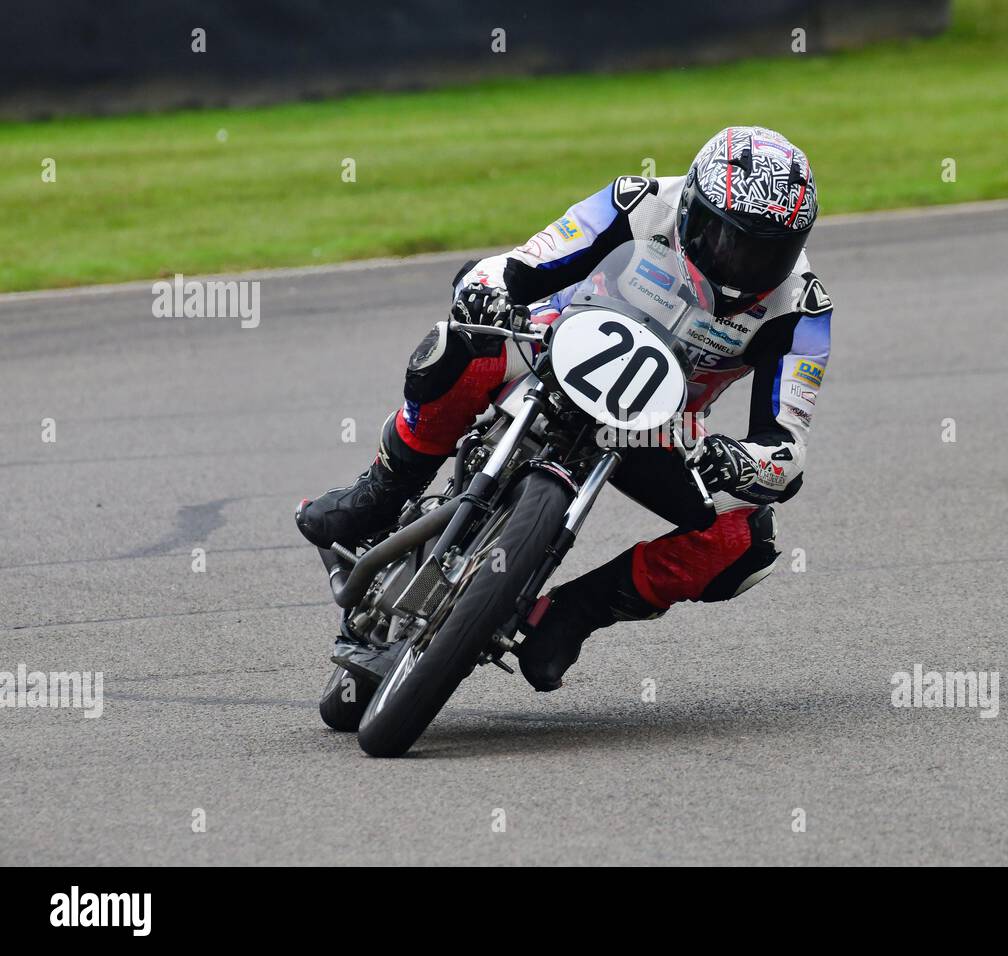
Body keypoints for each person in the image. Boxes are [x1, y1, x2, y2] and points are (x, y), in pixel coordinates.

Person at [297, 126, 831, 691]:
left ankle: (573, 612)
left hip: (655, 427)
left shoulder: (802, 306)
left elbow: (787, 446)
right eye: (727, 239)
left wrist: (741, 461)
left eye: (765, 252)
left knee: (745, 544)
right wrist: (488, 289)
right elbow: (525, 260)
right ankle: (383, 491)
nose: (739, 264)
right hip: (553, 344)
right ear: (693, 207)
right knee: (456, 344)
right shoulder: (638, 200)